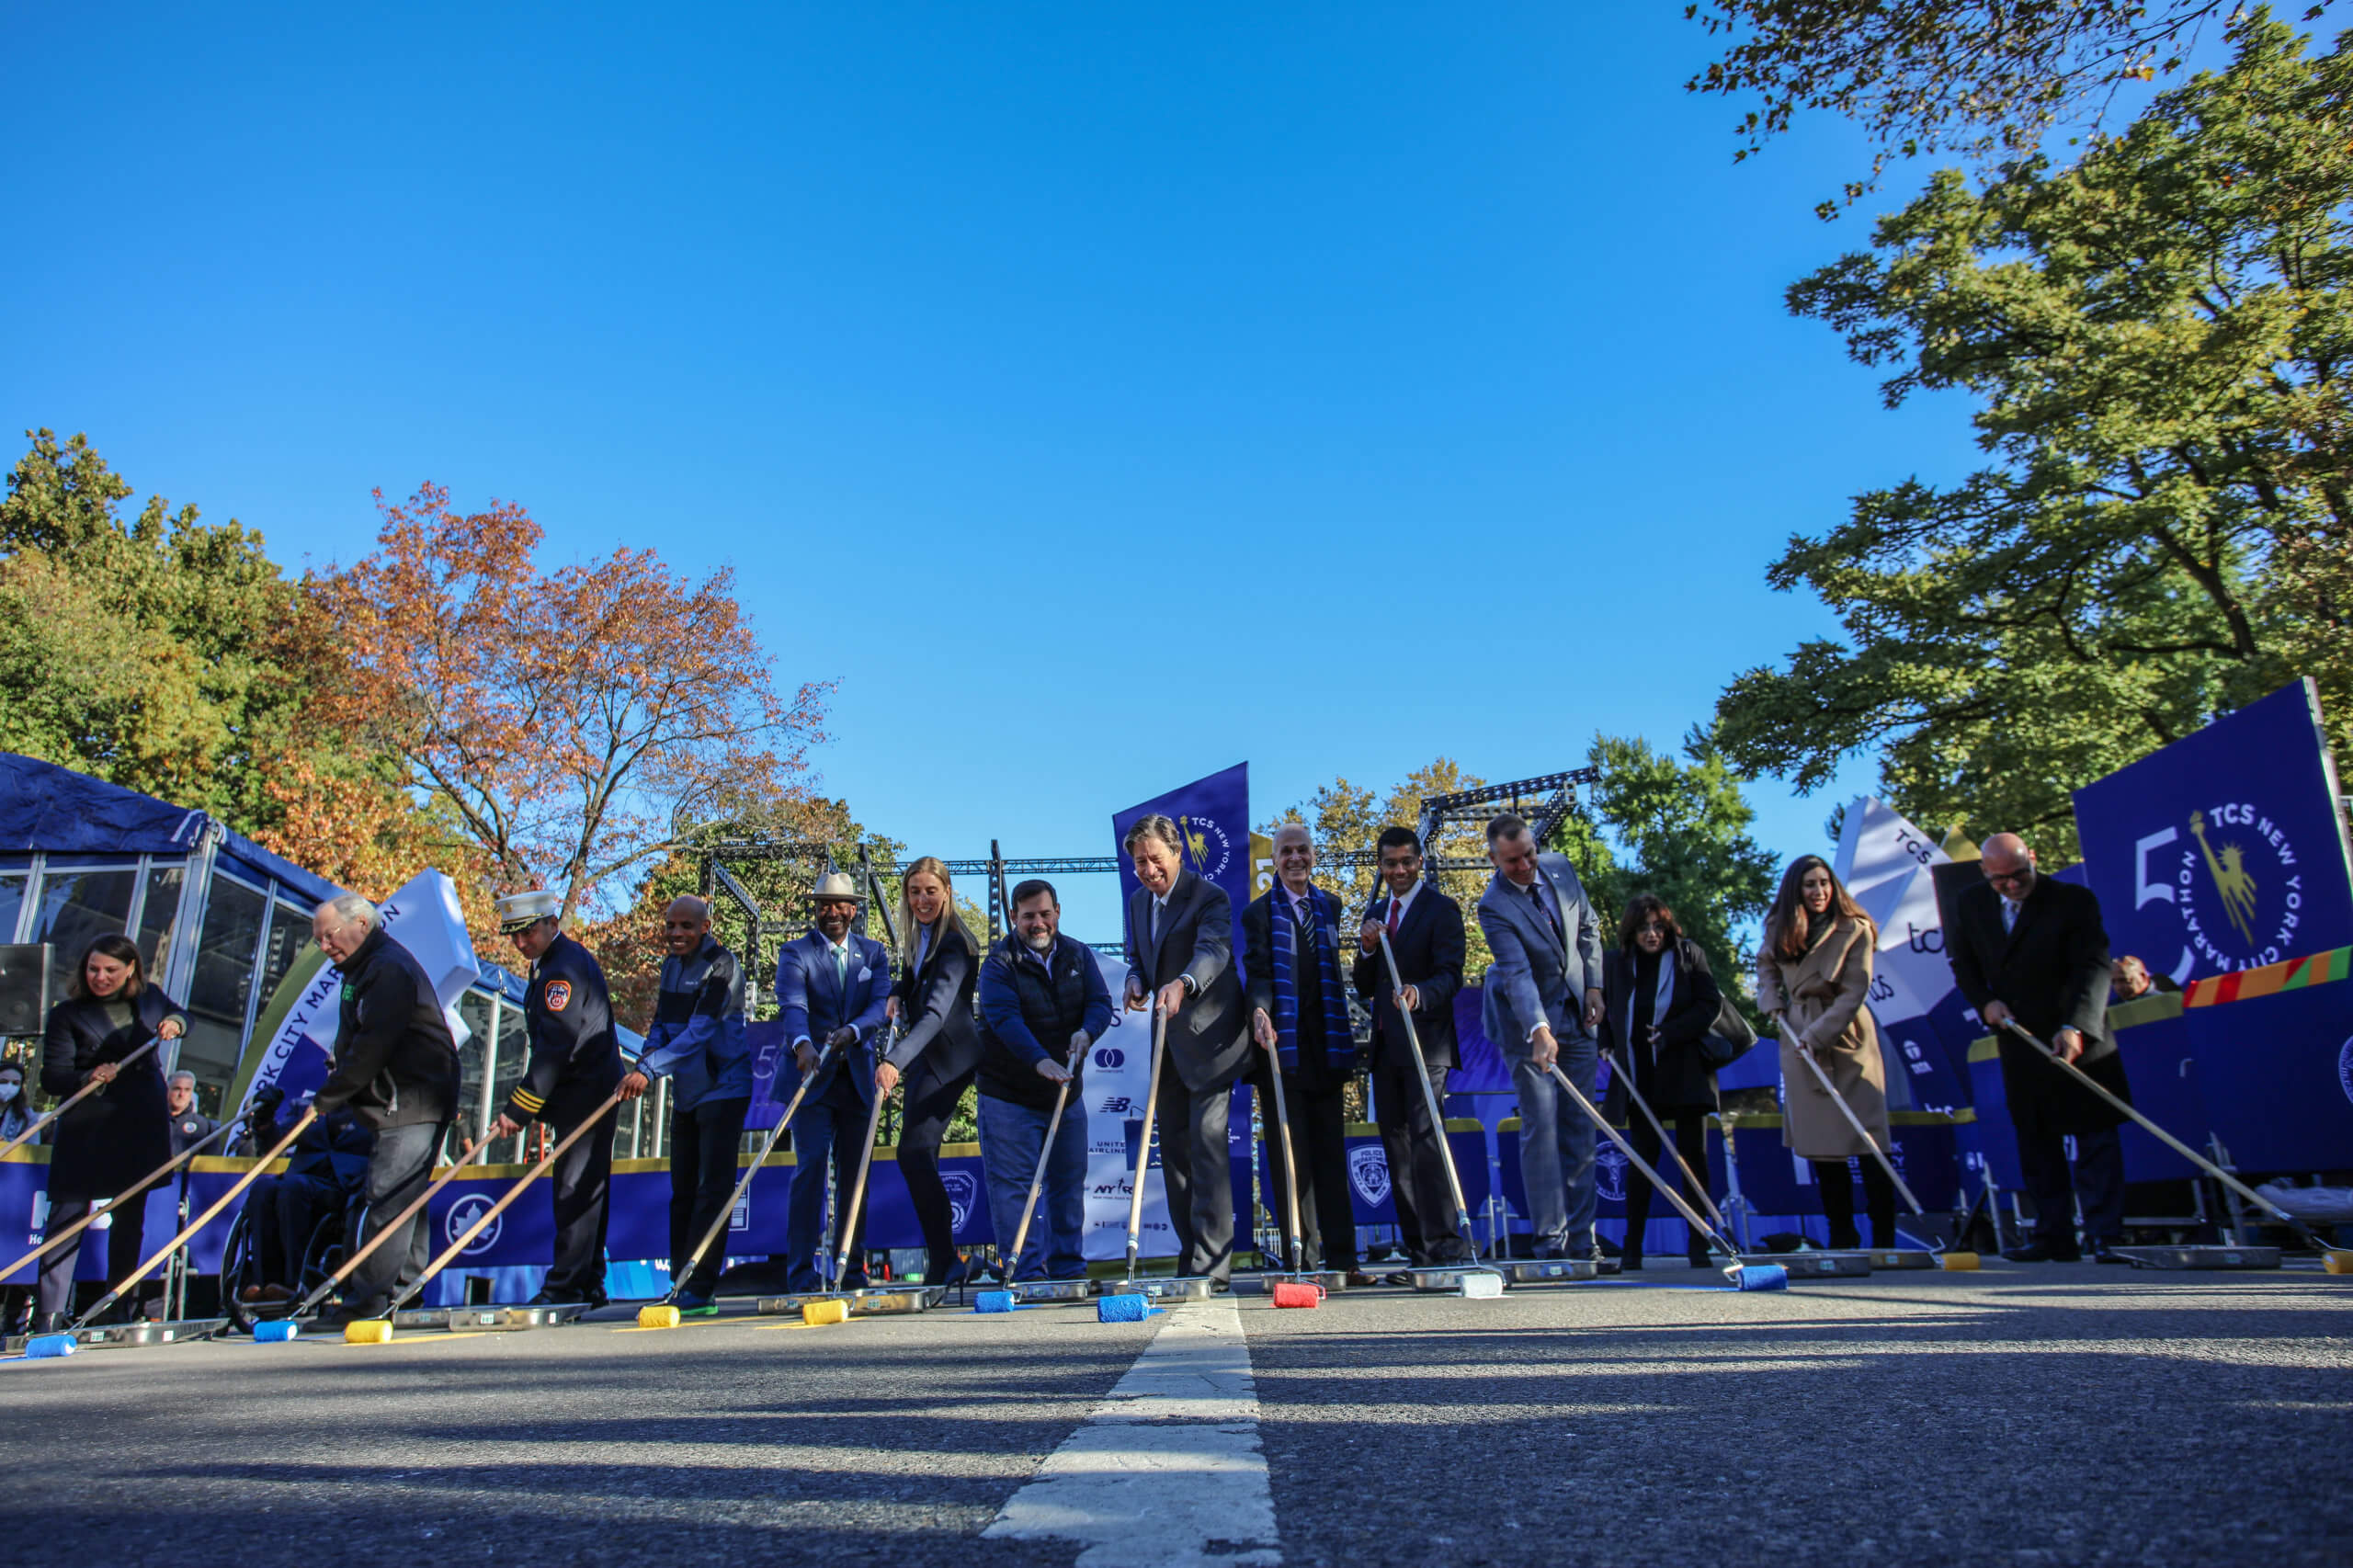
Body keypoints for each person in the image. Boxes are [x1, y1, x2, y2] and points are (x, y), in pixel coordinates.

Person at [1948, 832, 2130, 1263]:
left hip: (2075, 1032)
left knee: (2094, 1136)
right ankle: (2053, 1234)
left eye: (2019, 875)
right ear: (1984, 873)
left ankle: (2106, 1234)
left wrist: (2077, 1025)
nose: (2011, 886)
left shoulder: (2073, 900)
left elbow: (2094, 966)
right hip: (2019, 1034)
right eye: (2000, 880)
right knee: (2035, 1138)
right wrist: (1985, 1001)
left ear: (2033, 858)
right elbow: (1964, 963)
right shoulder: (1972, 903)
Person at [308, 893, 464, 1325]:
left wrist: (326, 1098)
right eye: (318, 940)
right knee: (404, 1198)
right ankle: (403, 1295)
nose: (325, 946)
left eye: (330, 935)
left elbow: (374, 1045)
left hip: (411, 1099)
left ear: (361, 922)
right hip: (402, 1099)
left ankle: (368, 1303)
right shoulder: (362, 968)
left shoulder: (387, 968)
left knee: (389, 1198)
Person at [1121, 813, 1253, 1284]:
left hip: (1212, 1042)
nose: (1148, 870)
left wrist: (1183, 982)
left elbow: (1214, 950)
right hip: (1166, 1045)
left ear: (1177, 853)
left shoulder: (1210, 897)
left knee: (1209, 1147)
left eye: (1155, 859)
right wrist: (1136, 980)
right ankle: (1190, 1254)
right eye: (1139, 863)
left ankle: (1213, 1264)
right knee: (1174, 1154)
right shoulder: (1138, 903)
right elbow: (1138, 954)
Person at [1476, 813, 1608, 1264]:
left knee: (1580, 1127)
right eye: (1513, 861)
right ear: (1494, 858)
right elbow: (1515, 972)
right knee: (1543, 1126)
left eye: (1530, 853)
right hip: (1525, 1026)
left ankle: (1584, 1238)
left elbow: (1587, 927)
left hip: (1577, 1015)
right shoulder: (1493, 905)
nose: (1526, 865)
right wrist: (1539, 1028)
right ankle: (1551, 1239)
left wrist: (1594, 986)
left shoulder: (1561, 868)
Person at [34, 935, 183, 1331]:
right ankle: (49, 1312)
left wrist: (175, 1023)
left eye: (111, 970)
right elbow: (52, 1077)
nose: (101, 977)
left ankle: (119, 1306)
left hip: (138, 1122)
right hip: (89, 1124)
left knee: (130, 1215)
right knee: (67, 1215)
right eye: (93, 969)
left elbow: (182, 1016)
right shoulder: (67, 1014)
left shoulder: (150, 999)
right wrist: (89, 1076)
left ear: (131, 969)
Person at [488, 889, 625, 1309]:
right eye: (514, 936)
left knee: (575, 1188)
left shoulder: (562, 969)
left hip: (587, 1092)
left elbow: (556, 1047)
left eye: (528, 932)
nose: (521, 943)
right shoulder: (550, 964)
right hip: (582, 1089)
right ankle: (587, 1281)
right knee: (585, 1186)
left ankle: (566, 1284)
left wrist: (520, 1108)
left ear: (551, 924)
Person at [1244, 824, 1367, 1283]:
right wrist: (1259, 1011)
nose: (1295, 858)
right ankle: (1302, 1260)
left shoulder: (1330, 906)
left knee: (1331, 1155)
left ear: (1313, 855)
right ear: (1273, 860)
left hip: (1328, 1047)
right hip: (1282, 1048)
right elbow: (1257, 971)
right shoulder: (1259, 914)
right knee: (1289, 1157)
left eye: (1302, 850)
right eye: (1286, 852)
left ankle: (1344, 1260)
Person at [975, 879, 1113, 1281]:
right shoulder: (998, 964)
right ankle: (1025, 1273)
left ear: (1057, 912)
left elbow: (1100, 1003)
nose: (1038, 923)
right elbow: (1003, 1019)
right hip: (1009, 1096)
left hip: (1066, 1095)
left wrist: (1087, 1032)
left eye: (1045, 914)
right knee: (1015, 1189)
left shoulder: (1078, 954)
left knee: (1068, 1185)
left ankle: (1069, 1270)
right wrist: (1038, 1060)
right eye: (1028, 916)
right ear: (1014, 917)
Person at [1756, 857, 1895, 1250]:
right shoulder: (1778, 929)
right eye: (1809, 885)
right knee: (1822, 1144)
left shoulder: (1856, 929)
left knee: (1868, 1139)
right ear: (1795, 891)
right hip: (1796, 1033)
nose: (1819, 892)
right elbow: (1766, 965)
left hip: (1846, 1038)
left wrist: (1819, 1034)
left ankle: (1884, 1237)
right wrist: (1772, 1000)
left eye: (1824, 883)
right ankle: (1842, 1235)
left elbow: (1855, 990)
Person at [619, 895, 749, 1316]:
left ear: (705, 927)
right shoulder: (670, 965)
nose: (676, 934)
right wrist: (647, 1055)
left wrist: (651, 1071)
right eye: (670, 926)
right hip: (687, 1094)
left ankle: (702, 1286)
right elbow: (661, 1022)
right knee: (682, 1192)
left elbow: (699, 1032)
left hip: (724, 1089)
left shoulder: (724, 968)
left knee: (712, 1191)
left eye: (686, 927)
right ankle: (680, 1280)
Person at [1354, 826, 1470, 1278]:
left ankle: (1446, 1244)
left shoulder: (1442, 910)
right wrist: (1365, 951)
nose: (1399, 871)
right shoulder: (1377, 913)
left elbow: (1452, 974)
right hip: (1385, 1050)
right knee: (1396, 1149)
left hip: (1428, 1046)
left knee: (1426, 1142)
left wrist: (1421, 992)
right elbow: (1365, 986)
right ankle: (1418, 1249)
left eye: (1406, 862)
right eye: (1390, 864)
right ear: (1380, 867)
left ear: (1420, 861)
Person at [776, 871, 892, 1292]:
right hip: (813, 1078)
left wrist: (855, 1031)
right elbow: (792, 1003)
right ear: (816, 909)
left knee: (855, 1176)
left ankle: (851, 1269)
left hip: (858, 1080)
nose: (832, 912)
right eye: (824, 904)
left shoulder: (874, 954)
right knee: (809, 1171)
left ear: (853, 910)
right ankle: (801, 1274)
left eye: (839, 905)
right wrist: (803, 1044)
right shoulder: (795, 952)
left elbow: (880, 1006)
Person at [1599, 894, 1725, 1269]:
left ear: (1668, 928)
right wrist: (1606, 1044)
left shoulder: (1689, 956)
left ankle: (1701, 1242)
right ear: (1631, 932)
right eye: (1643, 929)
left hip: (1684, 1070)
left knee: (1693, 1158)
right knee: (1642, 1160)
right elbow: (1603, 1010)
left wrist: (1670, 1033)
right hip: (1640, 1075)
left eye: (1658, 928)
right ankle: (1632, 1246)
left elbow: (1709, 1006)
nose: (1651, 935)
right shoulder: (1617, 963)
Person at [878, 858, 983, 1288]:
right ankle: (944, 1263)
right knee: (921, 1157)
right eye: (914, 891)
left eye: (930, 892)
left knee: (914, 1153)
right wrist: (897, 991)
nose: (922, 900)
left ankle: (946, 1260)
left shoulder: (955, 942)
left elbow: (937, 1012)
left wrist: (893, 1061)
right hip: (928, 1057)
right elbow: (914, 976)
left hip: (949, 1059)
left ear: (947, 893)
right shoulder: (920, 936)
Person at [233, 1086, 374, 1303]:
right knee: (262, 1188)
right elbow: (273, 1145)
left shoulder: (374, 1107)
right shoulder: (306, 1106)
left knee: (293, 1188)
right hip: (302, 1177)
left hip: (343, 1186)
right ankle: (263, 1283)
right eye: (329, 1065)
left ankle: (296, 1282)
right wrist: (264, 1117)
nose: (333, 1069)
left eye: (339, 1064)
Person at [165, 1072, 220, 1157]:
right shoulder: (149, 1119)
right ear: (167, 1090)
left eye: (187, 1090)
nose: (182, 1094)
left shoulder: (206, 1128)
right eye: (177, 1089)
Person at [2110, 955, 2179, 1003]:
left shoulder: (2174, 1001)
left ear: (2142, 976)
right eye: (2113, 982)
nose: (2118, 987)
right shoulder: (2108, 1011)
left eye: (2124, 980)